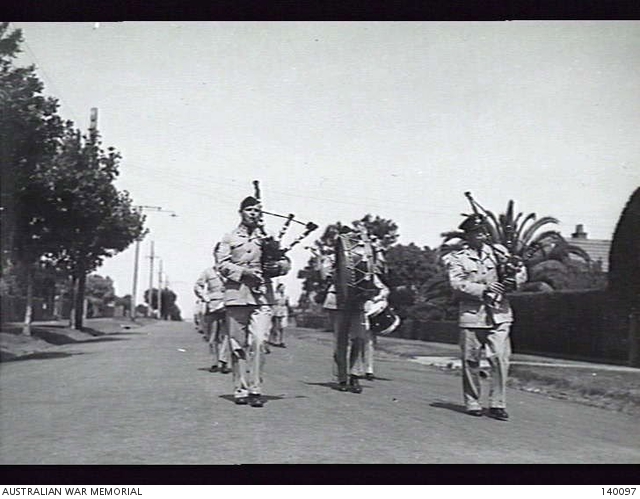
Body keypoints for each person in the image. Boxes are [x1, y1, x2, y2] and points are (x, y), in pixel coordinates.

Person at [444, 213, 527, 420]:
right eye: (476, 233)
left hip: (499, 314)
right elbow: (457, 284)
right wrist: (485, 289)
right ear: (468, 236)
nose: (481, 236)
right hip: (472, 315)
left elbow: (520, 271)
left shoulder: (499, 253)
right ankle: (472, 401)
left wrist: (512, 280)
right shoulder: (458, 258)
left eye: (483, 232)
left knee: (499, 358)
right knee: (470, 360)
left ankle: (497, 403)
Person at [215, 195, 291, 407]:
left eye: (257, 210)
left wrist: (278, 268)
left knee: (258, 341)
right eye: (249, 210)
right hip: (237, 297)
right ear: (241, 212)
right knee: (237, 344)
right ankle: (240, 389)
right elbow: (221, 264)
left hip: (262, 297)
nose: (253, 214)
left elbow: (284, 262)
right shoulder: (228, 238)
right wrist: (245, 272)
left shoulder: (268, 238)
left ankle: (255, 388)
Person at [320, 224, 389, 394]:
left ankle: (355, 374)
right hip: (337, 300)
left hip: (358, 301)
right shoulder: (331, 256)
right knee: (340, 341)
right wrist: (337, 262)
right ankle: (342, 377)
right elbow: (324, 275)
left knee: (359, 338)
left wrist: (377, 250)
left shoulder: (364, 256)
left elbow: (379, 270)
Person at [194, 245, 230, 374]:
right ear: (214, 255)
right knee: (212, 336)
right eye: (218, 253)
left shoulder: (232, 271)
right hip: (213, 306)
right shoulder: (208, 272)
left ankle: (223, 361)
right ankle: (215, 362)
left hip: (229, 305)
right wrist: (205, 297)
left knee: (227, 335)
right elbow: (198, 285)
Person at [269, 283, 290, 348]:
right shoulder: (275, 295)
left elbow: (287, 304)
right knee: (275, 327)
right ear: (278, 288)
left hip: (283, 311)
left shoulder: (285, 296)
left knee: (282, 327)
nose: (283, 289)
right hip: (276, 311)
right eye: (281, 287)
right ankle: (274, 340)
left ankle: (281, 341)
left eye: (284, 288)